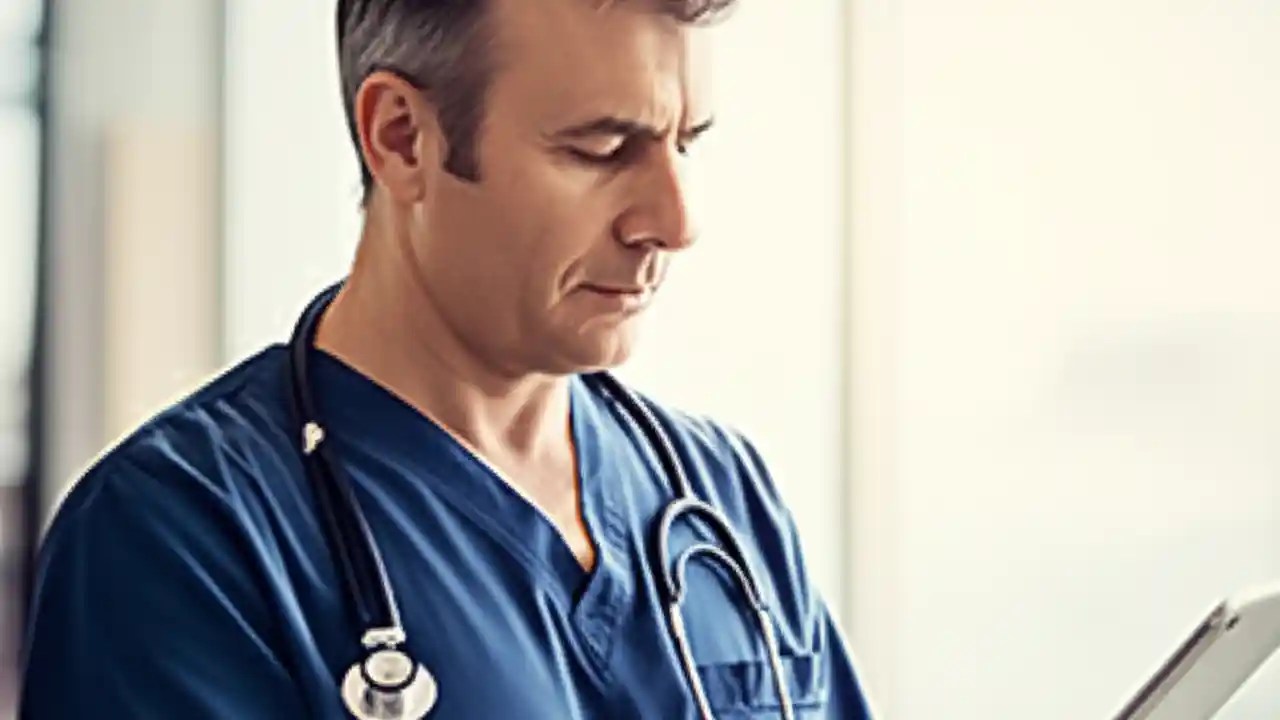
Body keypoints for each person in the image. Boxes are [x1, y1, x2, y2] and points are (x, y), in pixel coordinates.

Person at [20, 0, 875, 717]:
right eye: (602, 151)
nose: (675, 221)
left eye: (685, 142)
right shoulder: (181, 541)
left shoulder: (721, 502)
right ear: (400, 139)